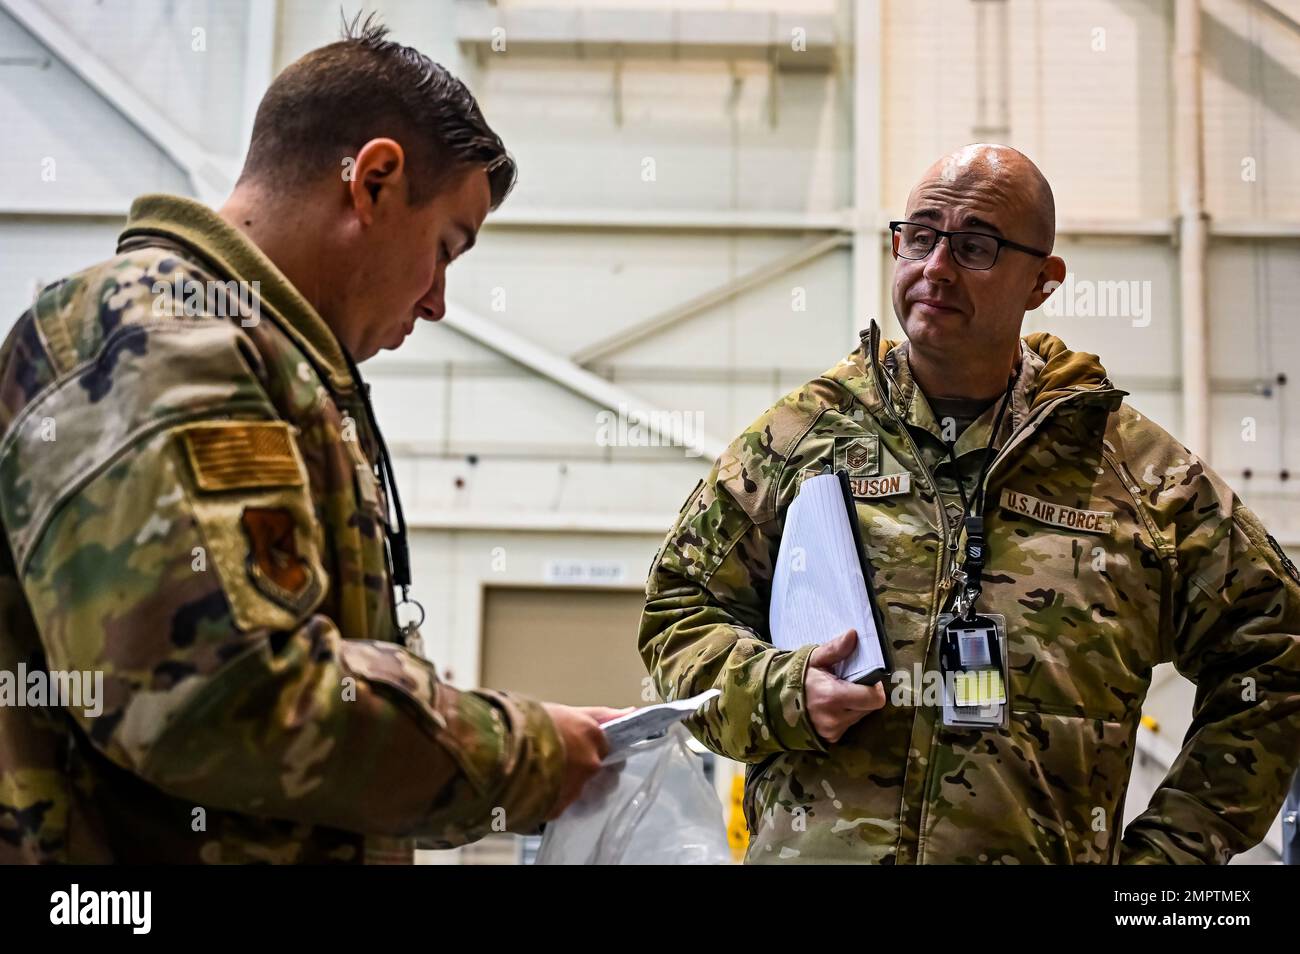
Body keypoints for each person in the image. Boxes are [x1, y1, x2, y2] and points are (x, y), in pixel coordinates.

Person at [0, 15, 621, 864]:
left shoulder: (256, 358)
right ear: (373, 181)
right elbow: (223, 695)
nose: (437, 300)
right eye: (444, 248)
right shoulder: (160, 340)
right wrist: (527, 754)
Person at [639, 143, 1300, 864]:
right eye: (919, 237)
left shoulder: (1137, 475)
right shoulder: (802, 438)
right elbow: (680, 610)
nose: (935, 269)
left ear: (1043, 282)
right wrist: (780, 692)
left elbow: (1276, 649)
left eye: (975, 246)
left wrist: (1173, 853)